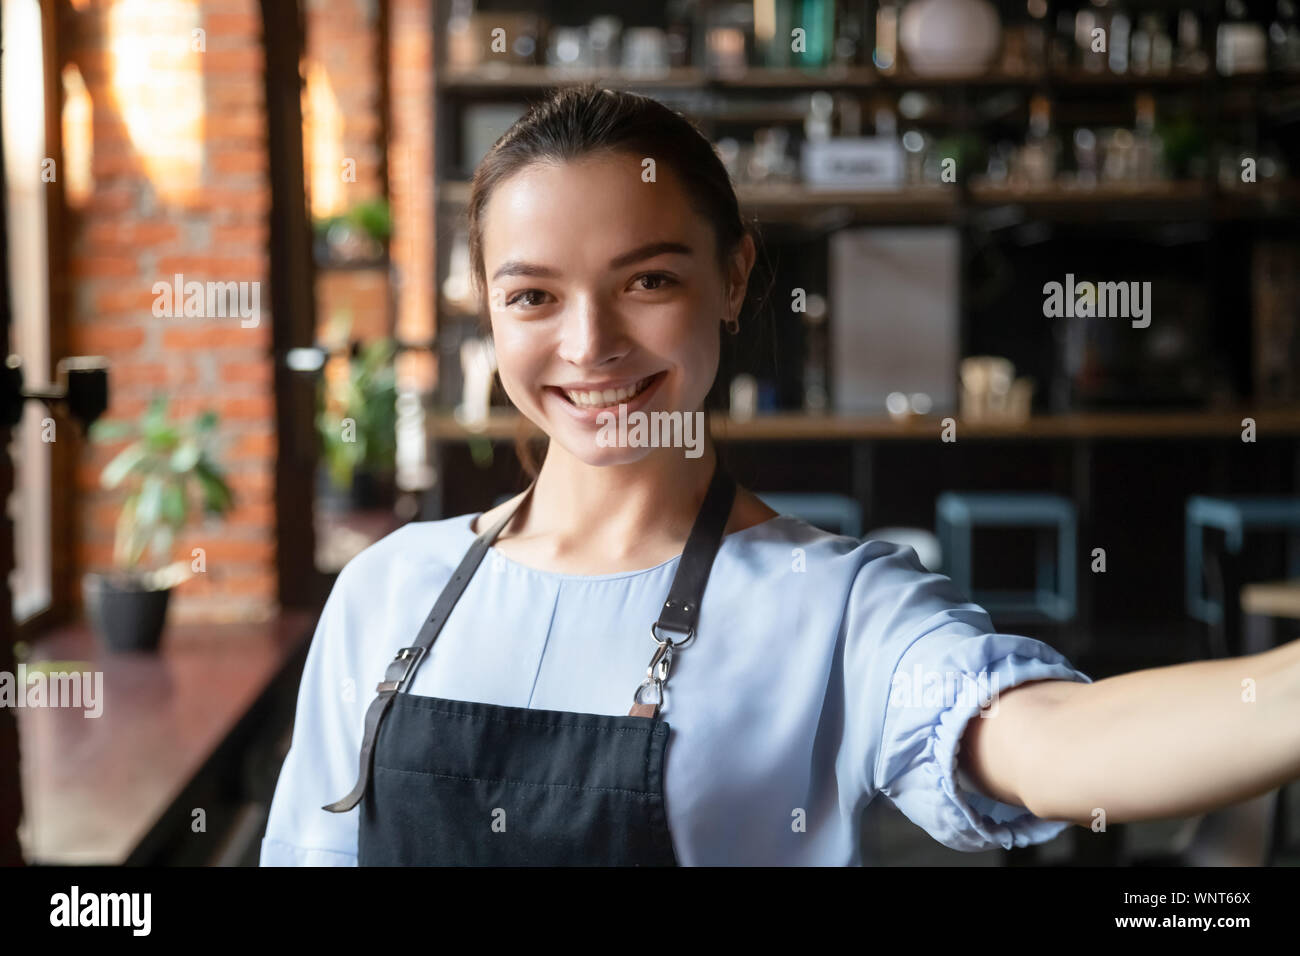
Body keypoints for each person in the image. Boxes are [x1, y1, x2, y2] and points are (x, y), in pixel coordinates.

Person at [260, 85, 1300, 866]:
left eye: (649, 280)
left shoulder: (835, 608)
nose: (590, 344)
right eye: (533, 296)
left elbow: (1055, 745)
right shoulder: (389, 590)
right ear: (487, 308)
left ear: (735, 277)